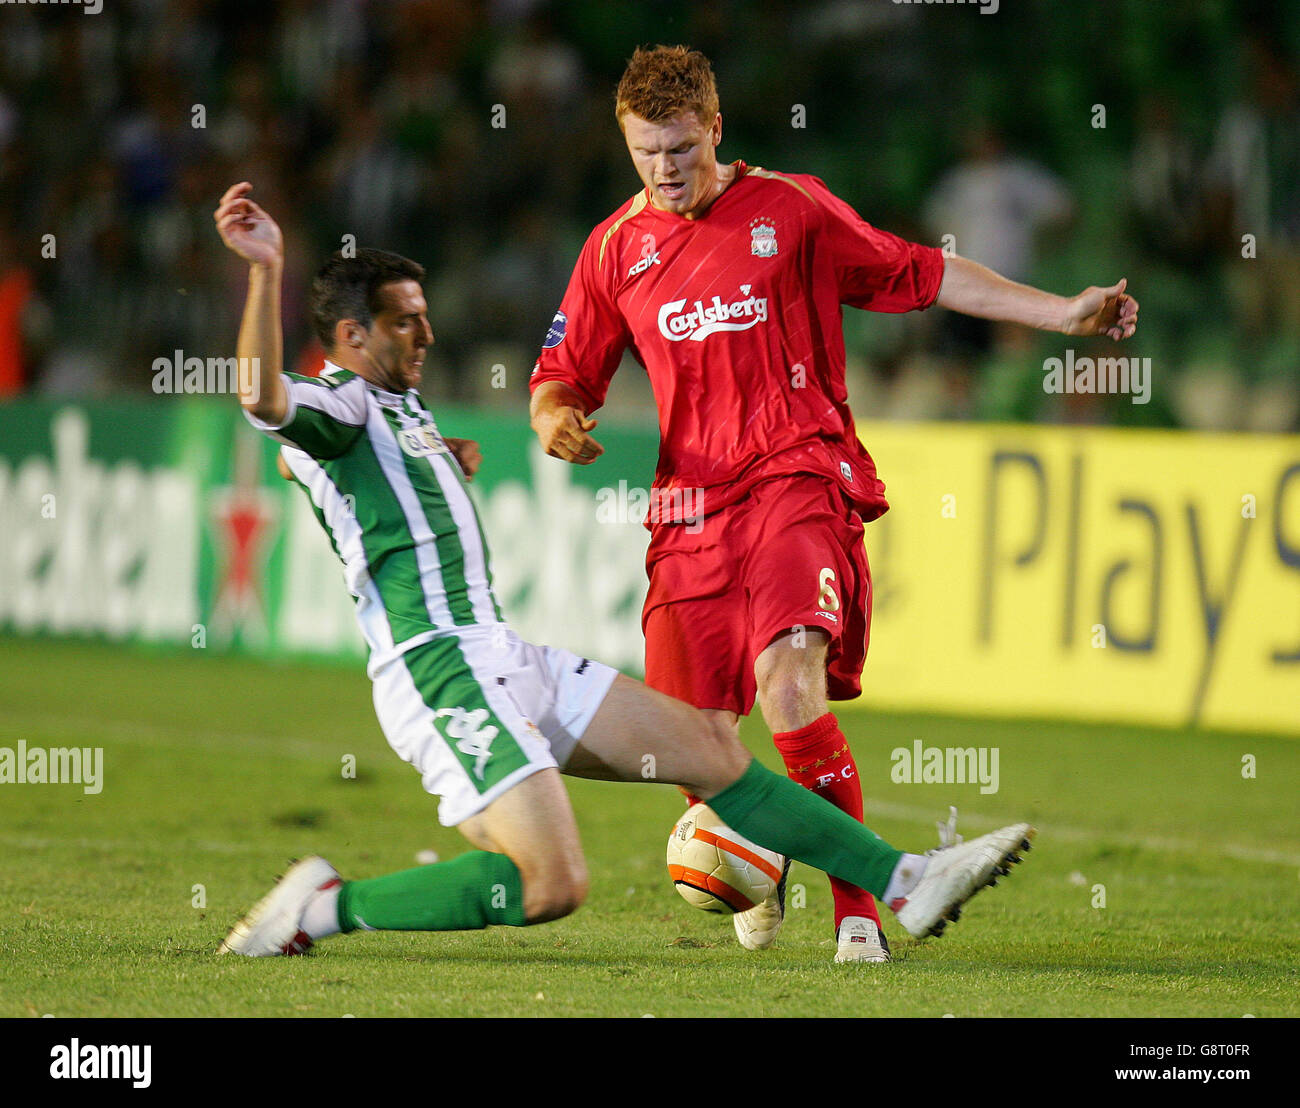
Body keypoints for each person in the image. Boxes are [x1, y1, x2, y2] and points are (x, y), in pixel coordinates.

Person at [211, 181, 1035, 957]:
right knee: (552, 885)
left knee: (712, 749)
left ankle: (906, 882)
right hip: (439, 672)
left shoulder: (394, 408)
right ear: (349, 339)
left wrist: (436, 457)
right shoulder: (342, 402)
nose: (428, 335)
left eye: (425, 317)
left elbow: (337, 466)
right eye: (404, 323)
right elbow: (262, 400)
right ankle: (321, 907)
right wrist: (267, 271)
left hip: (507, 658)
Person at [529, 46, 1136, 962]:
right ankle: (753, 866)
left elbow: (922, 271)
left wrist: (1061, 314)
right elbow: (560, 375)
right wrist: (556, 418)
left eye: (682, 149)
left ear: (716, 129)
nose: (665, 170)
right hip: (690, 510)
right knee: (694, 745)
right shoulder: (615, 248)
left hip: (796, 473)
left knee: (788, 681)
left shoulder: (790, 209)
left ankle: (859, 914)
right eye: (646, 151)